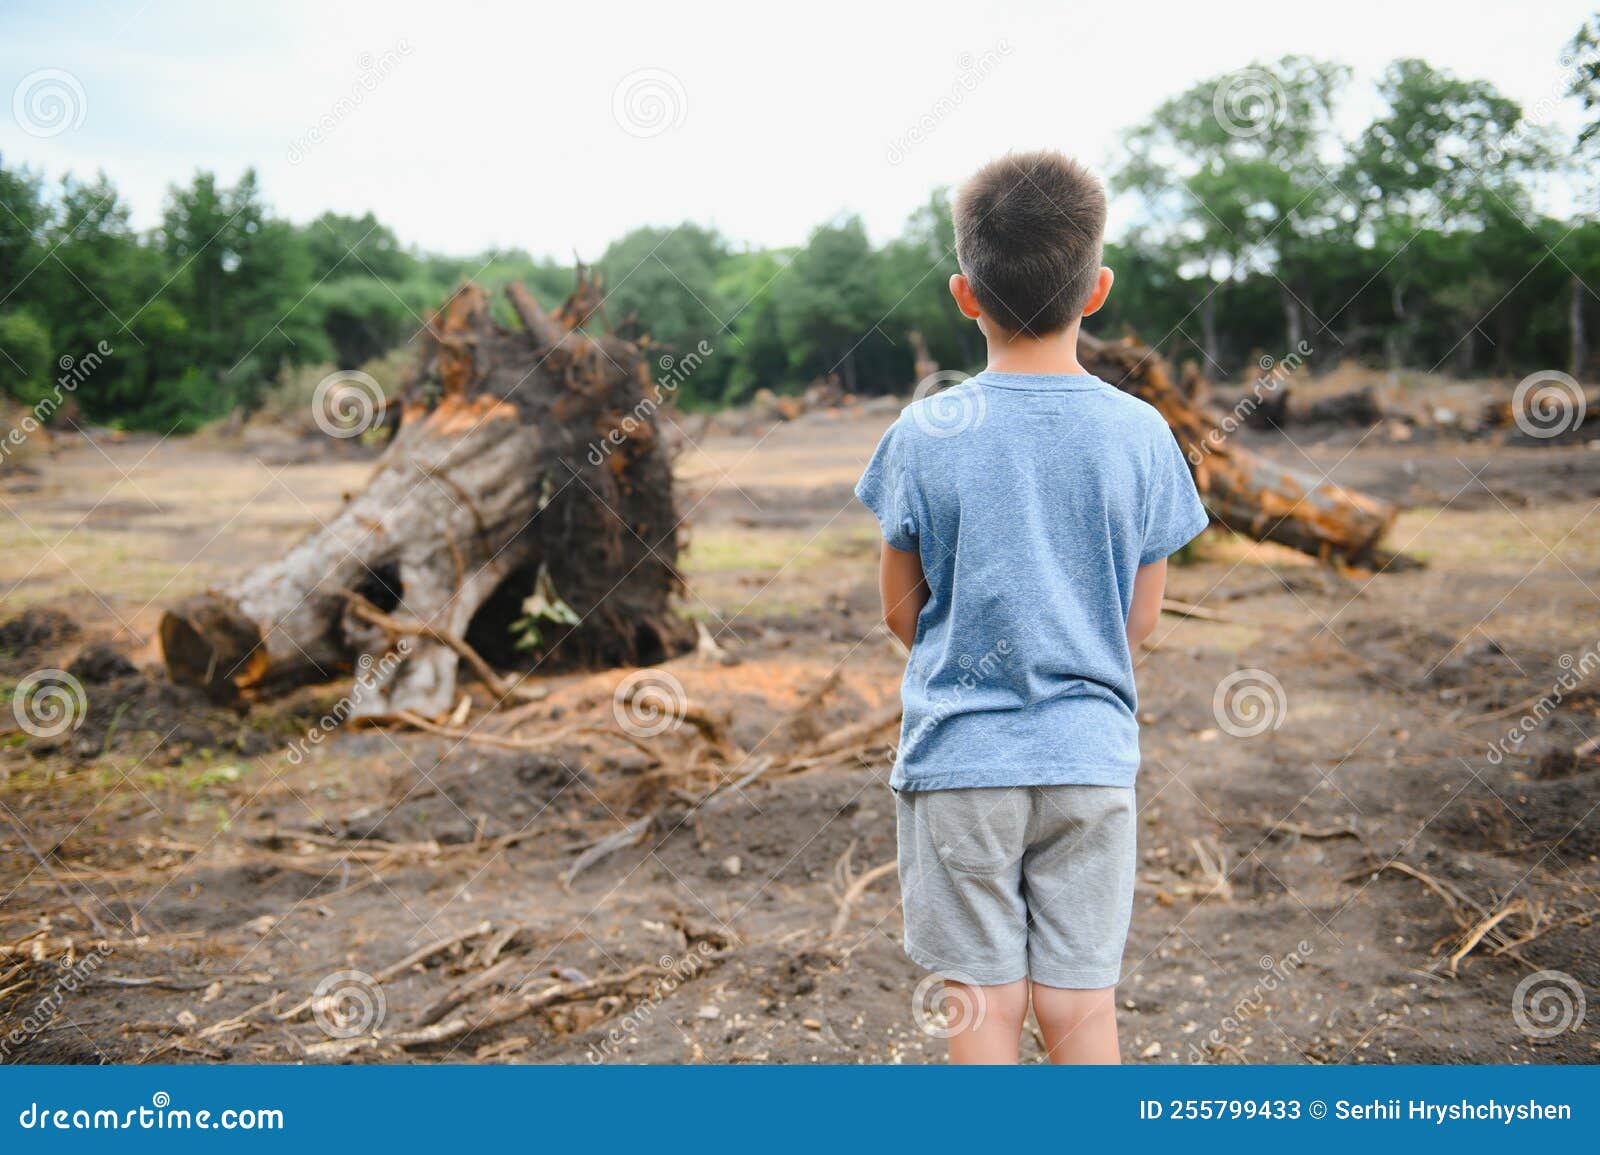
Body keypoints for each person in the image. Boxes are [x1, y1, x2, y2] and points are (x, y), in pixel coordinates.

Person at [854, 150, 1209, 1064]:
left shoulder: (924, 430)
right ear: (1097, 289)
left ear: (963, 294)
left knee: (982, 1004)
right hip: (1090, 760)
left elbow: (901, 613)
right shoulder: (1140, 432)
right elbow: (1139, 623)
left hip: (961, 759)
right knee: (1081, 1006)